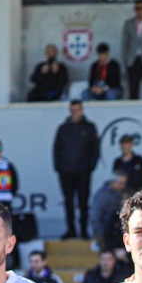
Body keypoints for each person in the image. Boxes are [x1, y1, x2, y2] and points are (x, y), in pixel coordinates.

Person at [52, 101, 99, 239]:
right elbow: (56, 149)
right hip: (66, 172)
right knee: (68, 202)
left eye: (77, 109)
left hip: (83, 172)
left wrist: (90, 167)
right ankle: (71, 229)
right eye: (72, 110)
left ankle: (83, 230)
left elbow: (95, 149)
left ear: (82, 110)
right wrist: (59, 167)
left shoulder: (89, 127)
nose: (75, 112)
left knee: (83, 202)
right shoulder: (63, 128)